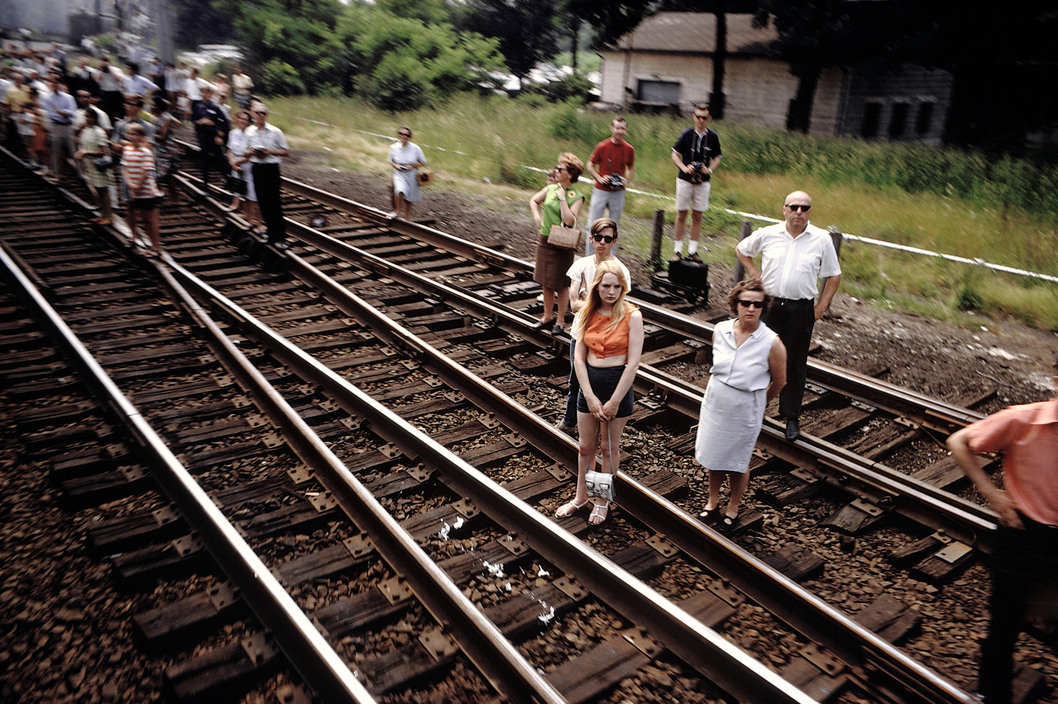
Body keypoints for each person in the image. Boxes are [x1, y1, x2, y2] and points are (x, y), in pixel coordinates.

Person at [947, 358, 1058, 704]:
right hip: (1022, 537)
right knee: (1004, 626)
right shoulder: (1024, 419)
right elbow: (959, 441)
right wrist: (993, 495)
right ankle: (992, 696)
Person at [735, 190, 840, 441]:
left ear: (810, 212)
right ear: (784, 209)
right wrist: (753, 272)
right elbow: (742, 248)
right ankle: (754, 410)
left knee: (795, 363)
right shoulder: (769, 233)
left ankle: (791, 417)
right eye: (794, 207)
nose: (799, 212)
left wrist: (821, 307)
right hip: (769, 307)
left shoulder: (821, 239)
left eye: (804, 208)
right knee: (760, 359)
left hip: (801, 309)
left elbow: (833, 275)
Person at [555, 260, 643, 525]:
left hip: (618, 385)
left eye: (617, 286)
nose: (612, 291)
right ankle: (581, 497)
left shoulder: (632, 315)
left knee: (608, 447)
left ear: (623, 288)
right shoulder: (586, 313)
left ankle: (602, 501)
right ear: (597, 287)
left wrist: (614, 401)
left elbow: (633, 362)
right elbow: (579, 359)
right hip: (589, 385)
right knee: (585, 447)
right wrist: (590, 397)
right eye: (606, 285)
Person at [695, 279, 787, 530]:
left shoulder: (772, 342)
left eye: (757, 304)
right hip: (717, 402)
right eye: (745, 303)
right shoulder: (721, 330)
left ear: (763, 308)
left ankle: (733, 507)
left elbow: (780, 381)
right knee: (714, 457)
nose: (751, 308)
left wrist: (758, 404)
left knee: (738, 461)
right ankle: (712, 502)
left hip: (746, 407)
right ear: (735, 304)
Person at [557, 218, 631, 433]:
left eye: (607, 239)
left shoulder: (621, 271)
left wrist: (586, 296)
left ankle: (600, 422)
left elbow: (618, 307)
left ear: (614, 241)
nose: (602, 243)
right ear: (591, 239)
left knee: (603, 378)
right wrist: (597, 302)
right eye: (598, 238)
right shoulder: (581, 265)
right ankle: (570, 421)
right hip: (581, 332)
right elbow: (573, 305)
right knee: (576, 381)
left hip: (607, 335)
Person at [529, 153, 584, 336]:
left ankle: (560, 321)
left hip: (561, 242)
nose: (556, 171)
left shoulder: (576, 196)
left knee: (561, 283)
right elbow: (534, 200)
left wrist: (562, 199)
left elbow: (569, 220)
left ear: (570, 174)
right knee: (545, 281)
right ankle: (547, 316)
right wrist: (537, 217)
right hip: (545, 239)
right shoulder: (551, 188)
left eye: (560, 169)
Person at [671, 103, 722, 262]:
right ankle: (677, 250)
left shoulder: (713, 137)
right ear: (693, 117)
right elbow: (674, 154)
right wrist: (684, 168)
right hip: (685, 179)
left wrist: (709, 170)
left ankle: (693, 251)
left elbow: (718, 157)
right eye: (698, 117)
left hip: (703, 181)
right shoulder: (686, 134)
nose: (701, 120)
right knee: (681, 214)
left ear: (709, 119)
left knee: (697, 215)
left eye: (704, 117)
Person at [242, 103, 290, 248]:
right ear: (253, 115)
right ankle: (271, 234)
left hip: (271, 168)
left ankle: (281, 237)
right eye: (258, 113)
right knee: (263, 202)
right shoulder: (250, 132)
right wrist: (252, 152)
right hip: (257, 168)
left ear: (266, 115)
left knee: (275, 203)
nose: (261, 115)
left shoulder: (276, 132)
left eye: (264, 113)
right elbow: (244, 152)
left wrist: (270, 152)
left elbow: (286, 152)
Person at [585, 117, 635, 254]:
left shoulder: (629, 149)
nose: (620, 131)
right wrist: (599, 178)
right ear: (612, 129)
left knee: (614, 226)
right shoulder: (602, 146)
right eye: (617, 128)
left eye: (623, 128)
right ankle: (590, 256)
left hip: (618, 191)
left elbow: (631, 167)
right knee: (593, 224)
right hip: (601, 190)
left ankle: (610, 258)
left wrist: (626, 180)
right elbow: (590, 164)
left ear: (626, 130)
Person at [122, 122, 163, 256]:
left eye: (135, 134)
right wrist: (130, 185)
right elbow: (124, 168)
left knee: (149, 220)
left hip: (146, 191)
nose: (132, 137)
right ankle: (152, 246)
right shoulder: (127, 149)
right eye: (130, 134)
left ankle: (156, 247)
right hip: (134, 189)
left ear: (141, 136)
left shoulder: (146, 152)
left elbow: (146, 171)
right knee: (141, 218)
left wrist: (137, 186)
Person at [75, 108, 114, 224]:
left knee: (103, 191)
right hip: (90, 165)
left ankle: (109, 217)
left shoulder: (99, 132)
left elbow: (104, 151)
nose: (88, 119)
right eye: (86, 117)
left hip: (99, 165)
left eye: (90, 117)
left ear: (95, 118)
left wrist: (87, 153)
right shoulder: (85, 130)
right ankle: (102, 214)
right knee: (97, 190)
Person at [226, 109, 261, 230]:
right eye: (239, 118)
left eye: (244, 119)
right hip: (236, 165)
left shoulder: (251, 134)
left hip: (247, 165)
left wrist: (236, 162)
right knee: (243, 194)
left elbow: (250, 155)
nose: (241, 121)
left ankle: (259, 222)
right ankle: (249, 220)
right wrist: (232, 162)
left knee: (253, 196)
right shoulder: (233, 133)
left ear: (248, 122)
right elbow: (229, 150)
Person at [192, 84, 229, 188]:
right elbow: (194, 120)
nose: (204, 94)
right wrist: (200, 122)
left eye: (207, 92)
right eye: (202, 92)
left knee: (219, 159)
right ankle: (205, 184)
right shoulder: (198, 106)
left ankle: (228, 178)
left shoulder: (215, 107)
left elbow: (225, 123)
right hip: (203, 137)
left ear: (211, 94)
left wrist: (219, 135)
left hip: (213, 137)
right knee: (204, 161)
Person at [41, 75, 76, 181]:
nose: (54, 85)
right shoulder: (47, 98)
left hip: (68, 125)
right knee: (56, 151)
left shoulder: (68, 97)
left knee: (72, 151)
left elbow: (72, 112)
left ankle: (81, 175)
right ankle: (56, 174)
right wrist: (63, 113)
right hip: (56, 125)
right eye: (52, 82)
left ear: (60, 84)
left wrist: (63, 113)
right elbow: (51, 113)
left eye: (56, 82)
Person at [386, 126, 426, 220]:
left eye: (406, 135)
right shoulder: (394, 147)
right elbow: (390, 160)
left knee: (410, 196)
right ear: (398, 134)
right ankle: (397, 211)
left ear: (409, 136)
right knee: (400, 190)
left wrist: (412, 166)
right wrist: (396, 166)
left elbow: (422, 162)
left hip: (411, 173)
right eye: (401, 134)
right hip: (399, 172)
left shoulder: (416, 148)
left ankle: (407, 216)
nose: (403, 136)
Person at [149, 95, 180, 191]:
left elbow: (163, 137)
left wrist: (148, 135)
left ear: (158, 107)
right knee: (156, 174)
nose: (151, 106)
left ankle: (173, 196)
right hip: (157, 149)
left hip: (166, 149)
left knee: (167, 175)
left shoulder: (165, 118)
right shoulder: (154, 117)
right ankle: (159, 194)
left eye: (153, 105)